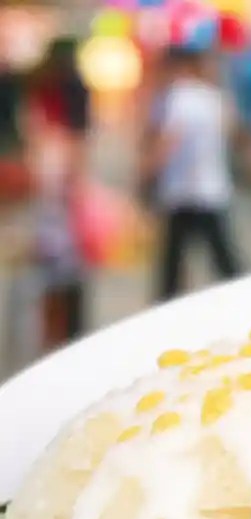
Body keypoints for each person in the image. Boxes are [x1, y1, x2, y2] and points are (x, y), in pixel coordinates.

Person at [147, 46, 243, 301]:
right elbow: (230, 132)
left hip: (183, 190)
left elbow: (170, 139)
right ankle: (244, 296)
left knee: (173, 261)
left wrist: (148, 171)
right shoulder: (213, 96)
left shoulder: (179, 97)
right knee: (222, 257)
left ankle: (166, 307)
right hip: (212, 187)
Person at [25, 37, 91, 348]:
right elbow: (80, 135)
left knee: (56, 259)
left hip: (49, 171)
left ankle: (56, 328)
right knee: (66, 259)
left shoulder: (42, 83)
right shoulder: (72, 86)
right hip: (58, 173)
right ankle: (67, 328)